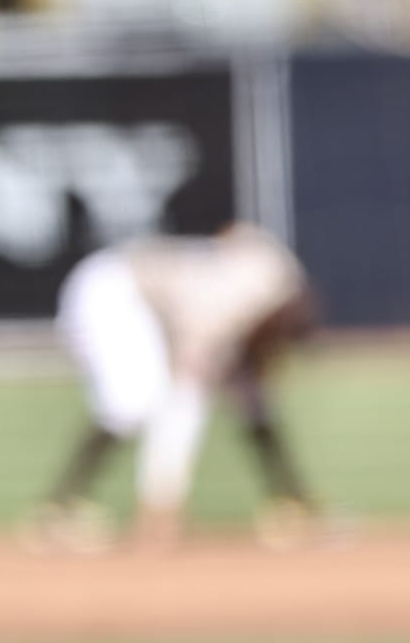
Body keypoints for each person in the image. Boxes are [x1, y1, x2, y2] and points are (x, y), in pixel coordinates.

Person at [24, 221, 323, 554]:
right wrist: (162, 506)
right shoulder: (218, 314)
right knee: (133, 398)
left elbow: (232, 232)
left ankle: (293, 501)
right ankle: (61, 510)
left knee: (253, 398)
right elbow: (184, 401)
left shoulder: (279, 274)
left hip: (148, 293)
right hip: (113, 290)